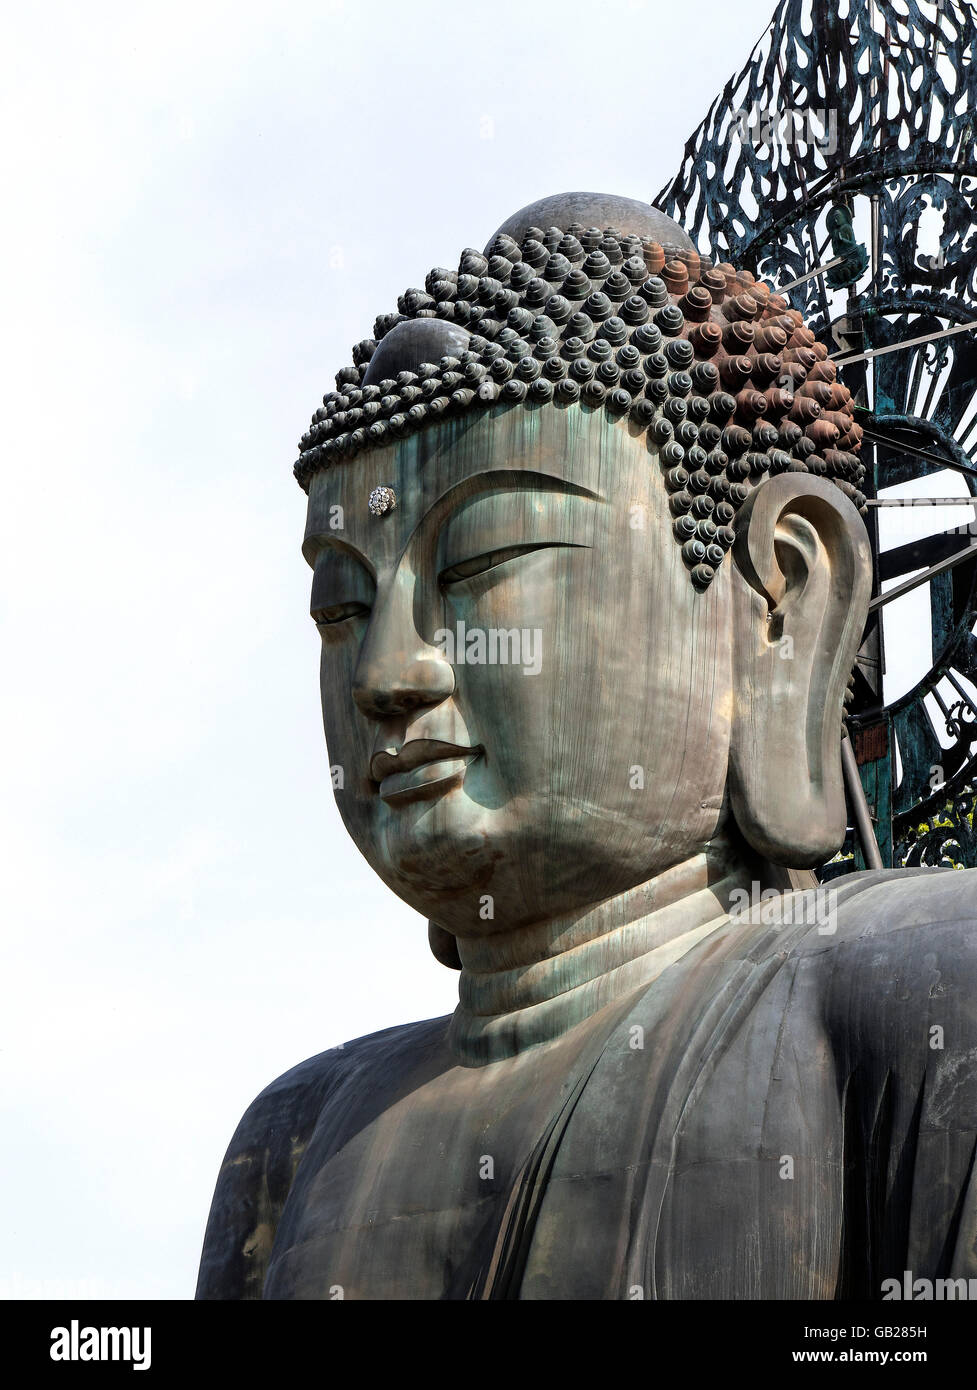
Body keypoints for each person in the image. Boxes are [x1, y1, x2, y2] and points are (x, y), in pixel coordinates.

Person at [196, 193, 977, 1300]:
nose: (385, 672)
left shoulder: (921, 989)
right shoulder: (294, 1137)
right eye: (341, 607)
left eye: (483, 558)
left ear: (779, 605)